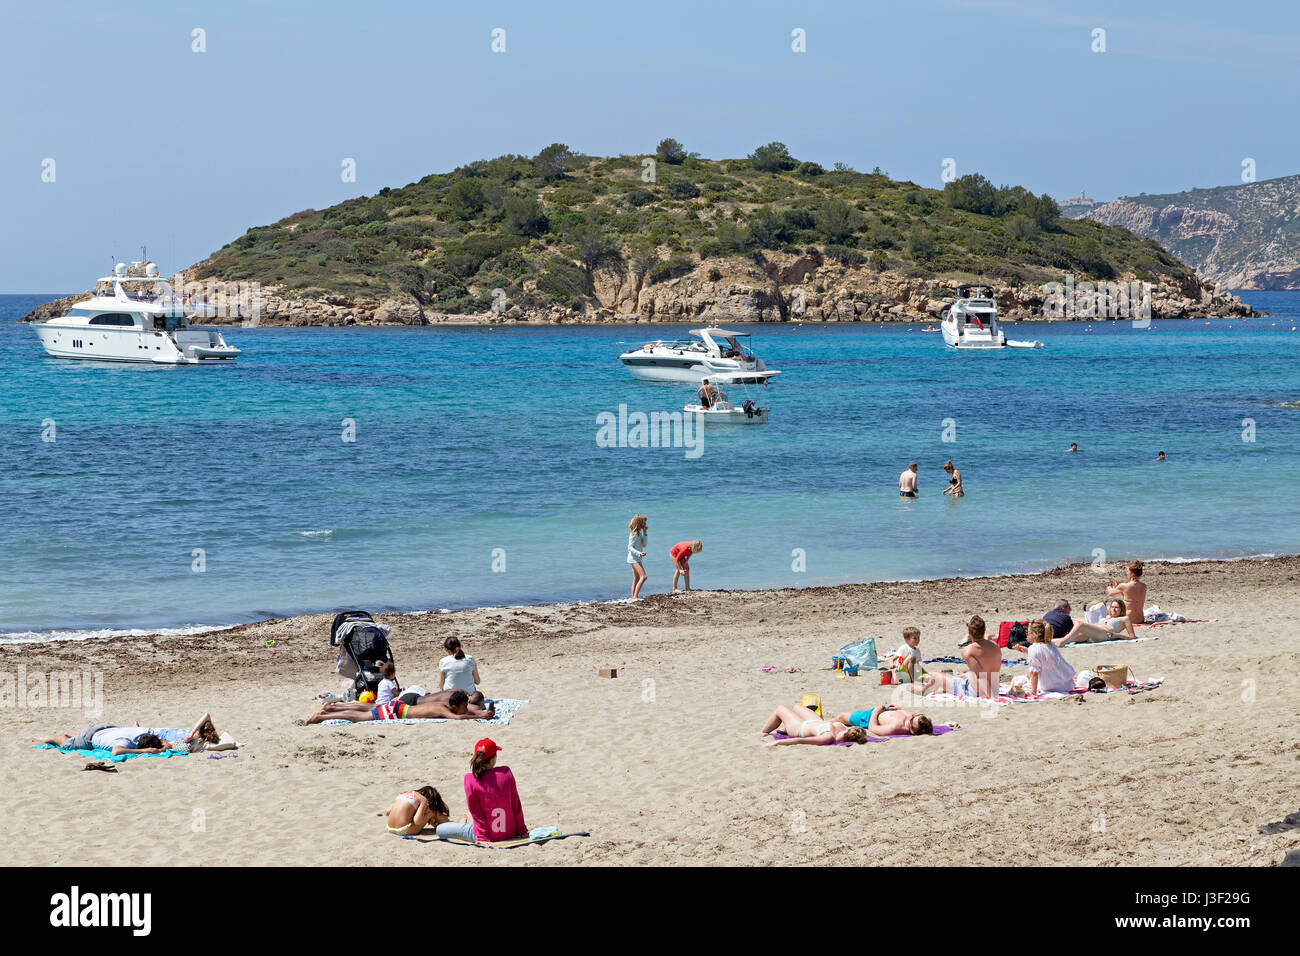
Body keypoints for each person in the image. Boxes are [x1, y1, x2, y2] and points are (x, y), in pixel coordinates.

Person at [913, 615, 999, 698]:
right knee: (964, 674)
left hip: (977, 691)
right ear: (984, 630)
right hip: (995, 689)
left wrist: (991, 697)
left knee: (937, 676)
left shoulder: (968, 651)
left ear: (969, 633)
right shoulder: (995, 646)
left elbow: (981, 676)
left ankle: (922, 691)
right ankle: (941, 689)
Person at [464, 738, 528, 842]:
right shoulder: (506, 772)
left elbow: (476, 813)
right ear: (493, 759)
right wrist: (522, 830)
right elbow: (516, 806)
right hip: (511, 832)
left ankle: (461, 822)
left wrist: (482, 837)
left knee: (441, 829)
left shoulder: (469, 779)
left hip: (487, 835)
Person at [306, 689, 493, 724]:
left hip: (400, 705)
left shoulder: (446, 704)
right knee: (359, 717)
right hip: (399, 712)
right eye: (464, 706)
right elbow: (459, 717)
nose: (465, 709)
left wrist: (483, 712)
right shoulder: (444, 710)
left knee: (368, 708)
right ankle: (322, 717)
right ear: (456, 705)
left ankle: (331, 708)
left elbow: (464, 711)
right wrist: (480, 716)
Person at [760, 703, 872, 745]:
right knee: (796, 707)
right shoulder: (843, 728)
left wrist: (777, 743)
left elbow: (800, 740)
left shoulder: (828, 737)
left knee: (781, 709)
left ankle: (761, 732)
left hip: (799, 728)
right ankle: (785, 727)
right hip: (815, 721)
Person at [385, 785, 471, 838]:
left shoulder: (404, 794)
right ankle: (454, 826)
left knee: (429, 813)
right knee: (431, 812)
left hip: (389, 827)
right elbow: (417, 821)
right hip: (403, 830)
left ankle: (442, 823)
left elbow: (388, 812)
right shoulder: (422, 799)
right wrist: (423, 803)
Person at [33, 724, 170, 757]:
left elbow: (135, 724)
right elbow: (116, 752)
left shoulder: (141, 733)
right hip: (90, 737)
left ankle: (74, 736)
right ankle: (43, 738)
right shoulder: (126, 743)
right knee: (63, 743)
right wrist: (145, 750)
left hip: (107, 728)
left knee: (78, 738)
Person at [1025, 620, 1076, 694]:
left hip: (1049, 686)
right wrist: (1026, 650)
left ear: (1035, 635)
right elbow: (1042, 655)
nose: (1026, 634)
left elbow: (1034, 674)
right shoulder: (1050, 644)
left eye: (1028, 632)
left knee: (1026, 677)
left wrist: (1033, 693)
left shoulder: (1033, 649)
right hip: (1066, 684)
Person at [1055, 599, 1135, 645]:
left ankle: (1060, 643)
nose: (1113, 609)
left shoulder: (1125, 618)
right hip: (1096, 632)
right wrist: (1073, 618)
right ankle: (1053, 642)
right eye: (1112, 607)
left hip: (1106, 634)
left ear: (1121, 609)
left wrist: (1118, 635)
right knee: (1073, 636)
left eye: (1116, 607)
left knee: (1079, 625)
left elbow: (1132, 637)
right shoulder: (1107, 616)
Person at [828, 703, 934, 736]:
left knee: (842, 717)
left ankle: (824, 723)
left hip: (868, 717)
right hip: (885, 711)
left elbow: (872, 728)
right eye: (913, 717)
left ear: (912, 730)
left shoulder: (896, 727)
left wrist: (875, 712)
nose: (910, 717)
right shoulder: (916, 719)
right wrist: (899, 709)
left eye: (911, 721)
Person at [1107, 560, 1147, 625]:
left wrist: (1109, 587)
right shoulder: (1144, 586)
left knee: (1109, 608)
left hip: (1128, 619)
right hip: (1140, 619)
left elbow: (1110, 593)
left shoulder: (1124, 586)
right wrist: (1116, 586)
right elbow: (1129, 597)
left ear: (1132, 573)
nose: (1126, 573)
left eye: (1127, 571)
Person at [628, 514, 648, 599]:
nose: (645, 524)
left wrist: (645, 533)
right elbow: (629, 547)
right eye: (644, 522)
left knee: (636, 578)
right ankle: (635, 597)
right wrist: (639, 553)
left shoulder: (639, 534)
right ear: (640, 523)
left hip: (637, 558)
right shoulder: (634, 534)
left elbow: (644, 544)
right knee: (643, 577)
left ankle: (633, 597)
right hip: (633, 558)